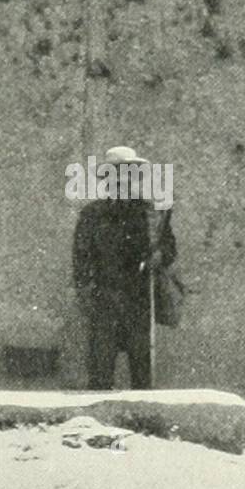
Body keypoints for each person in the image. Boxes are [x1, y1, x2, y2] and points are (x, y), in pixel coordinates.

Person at [72, 146, 177, 390]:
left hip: (138, 296)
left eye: (128, 173)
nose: (122, 180)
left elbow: (169, 248)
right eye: (115, 174)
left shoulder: (150, 213)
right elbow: (81, 258)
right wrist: (86, 291)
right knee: (101, 365)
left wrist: (158, 256)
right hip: (104, 296)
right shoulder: (92, 215)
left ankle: (144, 422)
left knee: (142, 365)